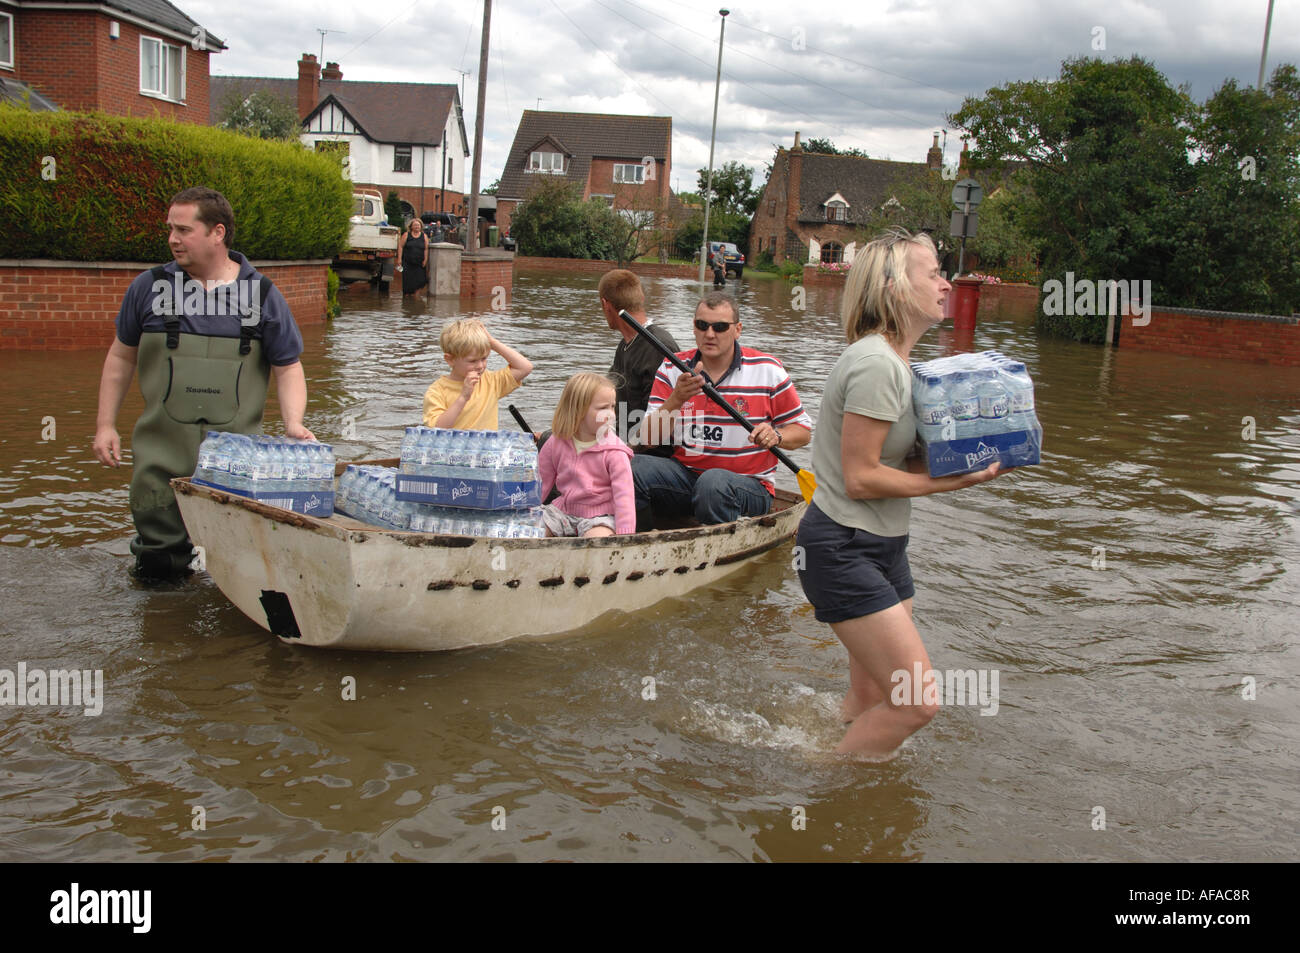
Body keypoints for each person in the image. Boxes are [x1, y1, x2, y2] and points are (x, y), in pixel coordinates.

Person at [795, 227, 1010, 761]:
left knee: (872, 694)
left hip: (884, 544)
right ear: (894, 287)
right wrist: (954, 481)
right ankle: (817, 776)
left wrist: (976, 451)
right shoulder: (876, 364)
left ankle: (853, 784)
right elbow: (861, 477)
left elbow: (896, 459)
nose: (945, 283)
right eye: (934, 272)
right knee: (918, 703)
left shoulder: (899, 363)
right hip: (843, 545)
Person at [93, 186, 314, 582]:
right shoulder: (148, 287)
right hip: (159, 458)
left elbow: (288, 367)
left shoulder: (261, 295)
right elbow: (120, 357)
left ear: (217, 232)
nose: (172, 239)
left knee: (238, 564)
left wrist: (293, 423)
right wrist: (105, 425)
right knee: (157, 567)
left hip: (234, 462)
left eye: (183, 230)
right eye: (170, 229)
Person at [631, 292, 811, 526]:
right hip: (687, 476)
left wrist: (776, 436)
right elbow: (647, 439)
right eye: (702, 325)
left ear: (738, 329)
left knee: (713, 483)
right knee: (631, 466)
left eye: (720, 327)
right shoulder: (671, 367)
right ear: (694, 328)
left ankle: (717, 545)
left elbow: (803, 432)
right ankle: (636, 539)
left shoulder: (768, 369)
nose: (710, 334)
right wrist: (676, 399)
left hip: (749, 485)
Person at [537, 373, 635, 538]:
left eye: (613, 406)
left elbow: (624, 497)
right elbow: (541, 481)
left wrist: (625, 535)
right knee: (532, 529)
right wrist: (526, 511)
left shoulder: (615, 451)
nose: (611, 414)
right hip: (563, 510)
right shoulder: (556, 442)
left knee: (597, 539)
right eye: (603, 408)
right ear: (578, 410)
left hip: (600, 516)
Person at [597, 268, 679, 445]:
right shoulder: (625, 345)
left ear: (606, 305)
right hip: (622, 438)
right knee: (551, 438)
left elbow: (662, 423)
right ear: (641, 298)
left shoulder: (659, 347)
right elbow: (602, 394)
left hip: (650, 450)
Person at [422, 318, 532, 429]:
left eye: (484, 358)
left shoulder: (491, 381)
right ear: (450, 360)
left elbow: (524, 367)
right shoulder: (437, 391)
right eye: (472, 361)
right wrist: (463, 397)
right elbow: (438, 428)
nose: (480, 366)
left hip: (487, 445)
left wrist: (492, 342)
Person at [396, 217, 429, 297]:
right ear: (411, 227)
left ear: (421, 226)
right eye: (415, 225)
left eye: (418, 225)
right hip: (407, 263)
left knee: (421, 280)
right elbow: (400, 246)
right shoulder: (406, 235)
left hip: (419, 263)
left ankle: (416, 297)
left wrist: (425, 259)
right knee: (408, 282)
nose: (417, 227)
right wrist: (399, 259)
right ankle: (407, 299)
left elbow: (426, 249)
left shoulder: (424, 236)